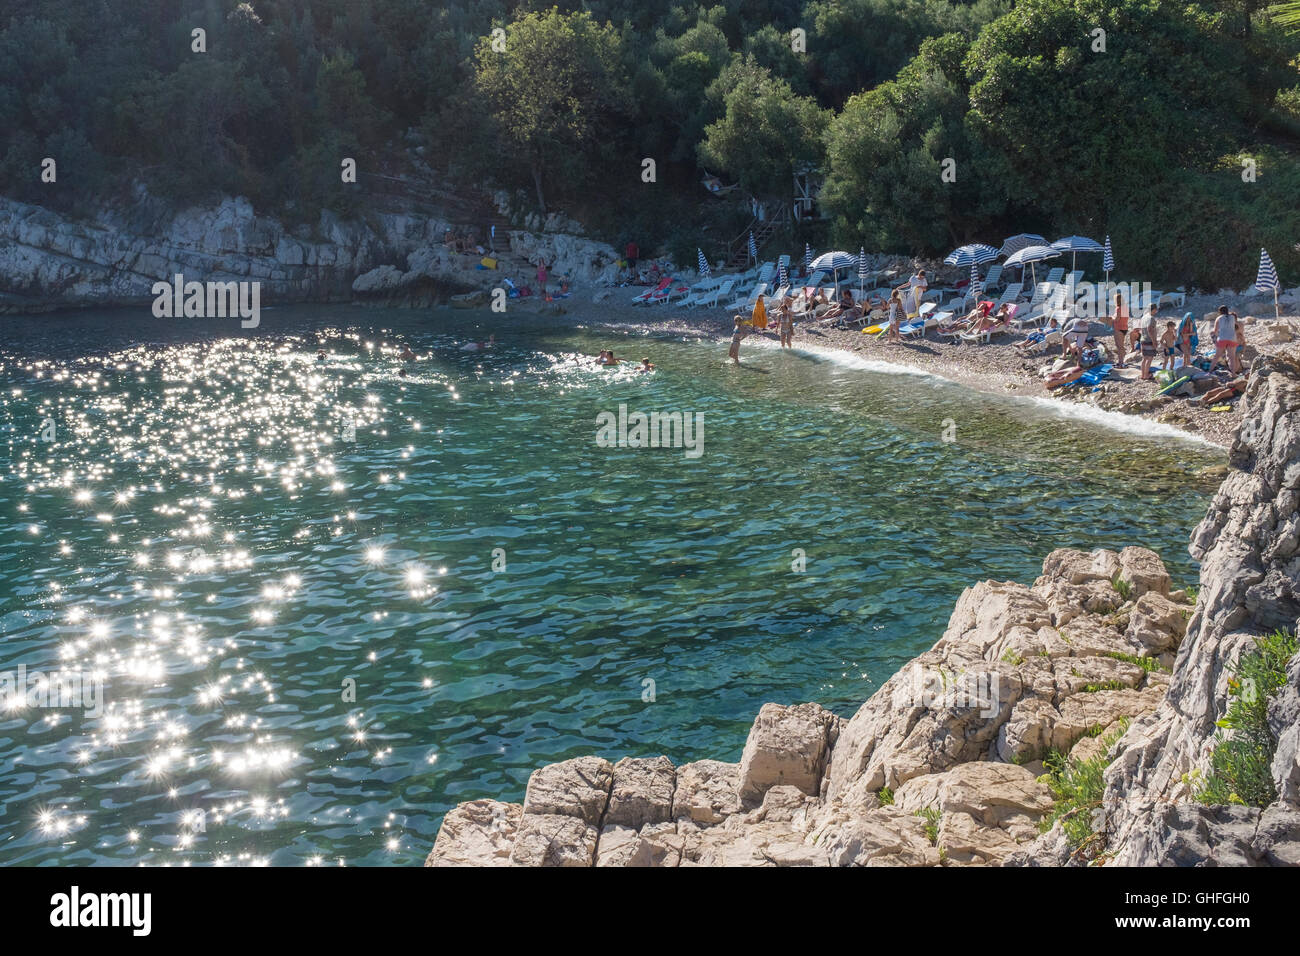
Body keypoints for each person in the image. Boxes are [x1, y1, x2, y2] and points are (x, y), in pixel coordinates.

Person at [1211, 306, 1240, 375]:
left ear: (1220, 312)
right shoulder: (1232, 317)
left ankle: (1210, 371)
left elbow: (1215, 330)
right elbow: (1236, 327)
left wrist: (1215, 336)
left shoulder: (1219, 318)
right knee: (1232, 357)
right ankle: (1233, 373)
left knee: (1217, 356)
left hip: (1222, 338)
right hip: (1232, 338)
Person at [1138, 303, 1161, 381]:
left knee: (1144, 358)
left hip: (1142, 339)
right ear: (1154, 309)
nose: (1156, 311)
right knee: (1149, 358)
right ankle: (1146, 375)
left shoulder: (1144, 317)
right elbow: (1150, 330)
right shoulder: (1151, 318)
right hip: (1149, 340)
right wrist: (1154, 341)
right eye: (1156, 309)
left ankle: (1142, 375)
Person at [1108, 292, 1130, 367]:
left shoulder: (1118, 308)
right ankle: (1121, 361)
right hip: (1124, 327)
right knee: (1121, 345)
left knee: (1119, 346)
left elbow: (1117, 319)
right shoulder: (1126, 307)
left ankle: (1120, 362)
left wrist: (1111, 318)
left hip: (1118, 328)